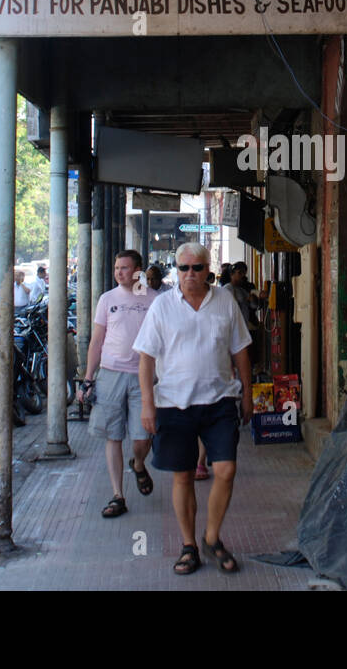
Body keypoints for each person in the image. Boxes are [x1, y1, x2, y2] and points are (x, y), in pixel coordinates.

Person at [134, 242, 252, 575]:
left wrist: (247, 395)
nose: (189, 274)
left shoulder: (224, 301)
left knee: (226, 470)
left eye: (196, 268)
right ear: (176, 270)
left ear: (207, 271)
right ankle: (189, 546)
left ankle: (212, 537)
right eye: (183, 268)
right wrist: (147, 404)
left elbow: (241, 350)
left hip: (219, 402)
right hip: (173, 403)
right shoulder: (162, 307)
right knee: (183, 476)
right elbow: (146, 357)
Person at [82, 250, 158, 519]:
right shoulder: (107, 299)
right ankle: (118, 495)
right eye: (117, 268)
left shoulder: (154, 300)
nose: (119, 272)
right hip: (111, 373)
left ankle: (138, 463)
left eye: (125, 268)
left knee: (142, 436)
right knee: (112, 436)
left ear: (138, 270)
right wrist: (88, 378)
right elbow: (97, 340)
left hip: (143, 376)